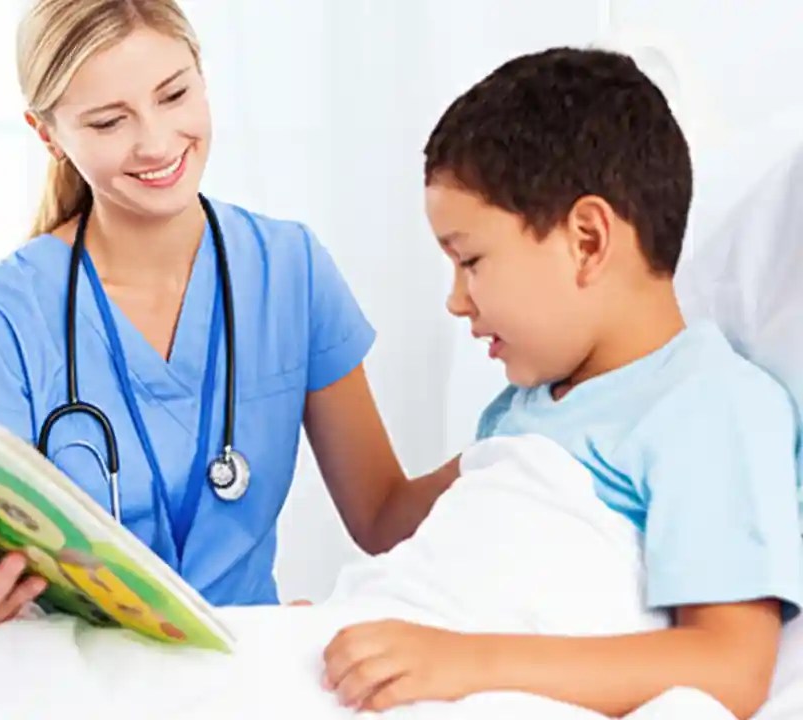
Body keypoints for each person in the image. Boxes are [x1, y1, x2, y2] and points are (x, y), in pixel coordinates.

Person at [0, 0, 458, 641]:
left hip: (246, 675)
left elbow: (384, 515)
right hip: (77, 686)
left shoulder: (289, 270)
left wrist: (527, 447)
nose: (157, 143)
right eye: (108, 122)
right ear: (47, 134)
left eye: (175, 94)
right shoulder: (6, 314)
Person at [320, 47, 803, 719]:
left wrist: (463, 659)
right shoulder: (525, 410)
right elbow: (391, 523)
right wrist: (340, 628)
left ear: (586, 240)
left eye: (471, 260)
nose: (457, 300)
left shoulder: (710, 405)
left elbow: (728, 665)